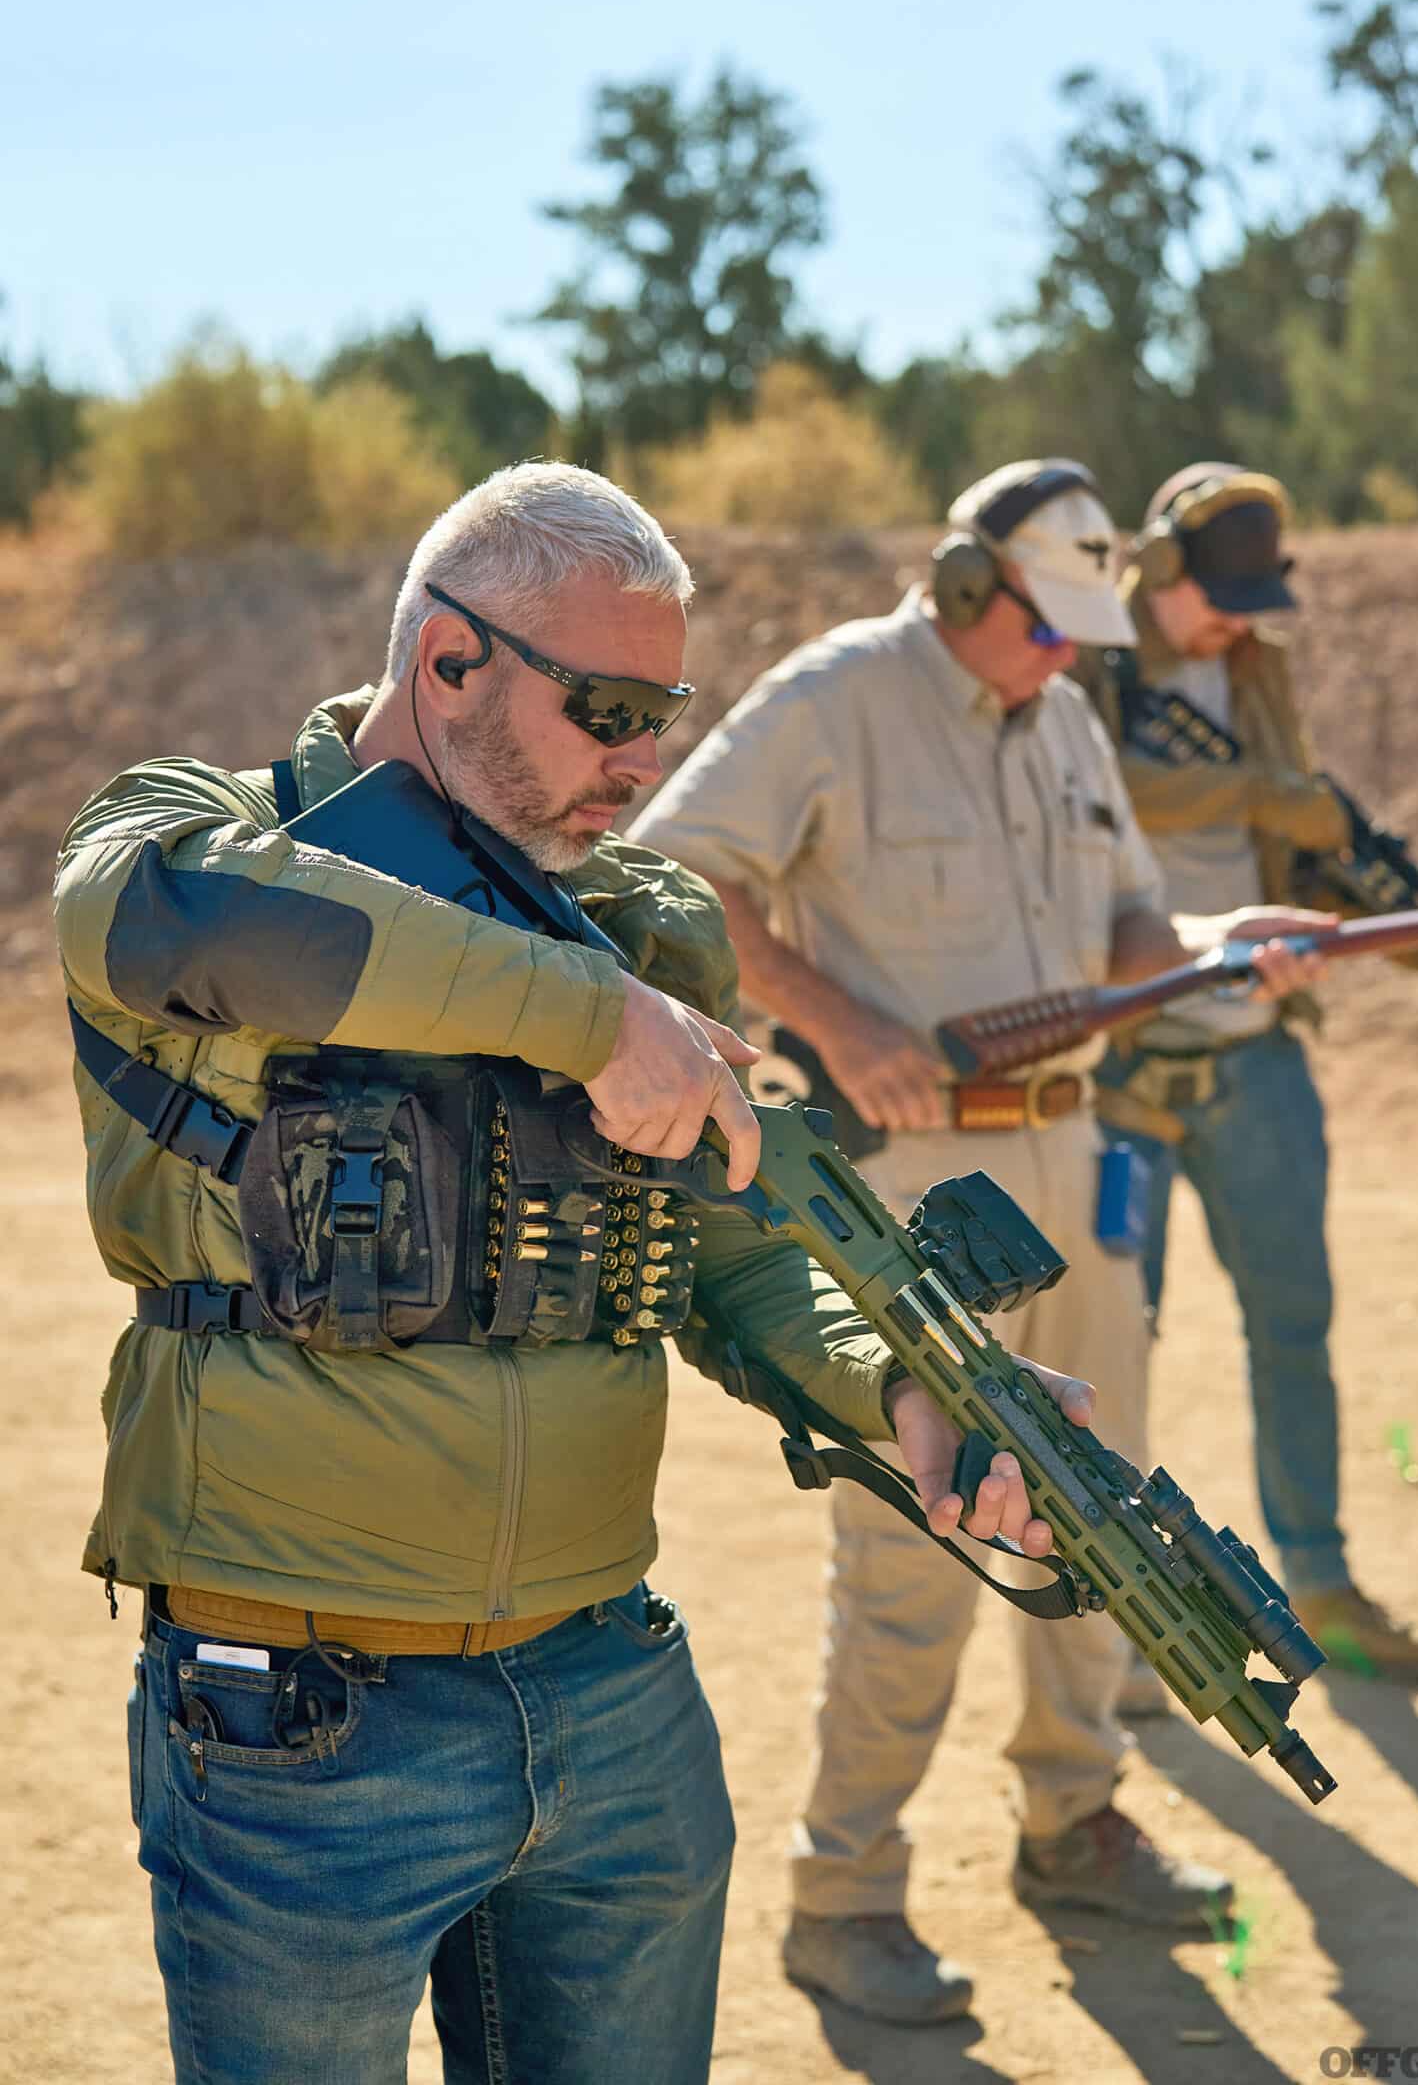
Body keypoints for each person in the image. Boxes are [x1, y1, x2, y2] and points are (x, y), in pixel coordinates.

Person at [55, 461, 1091, 2085]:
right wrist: (590, 1015)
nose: (642, 760)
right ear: (446, 663)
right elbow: (176, 924)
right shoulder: (198, 838)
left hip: (608, 1694)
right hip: (298, 1726)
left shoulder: (649, 929)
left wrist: (902, 1389)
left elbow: (742, 1256)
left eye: (660, 713)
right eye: (605, 705)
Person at [631, 457, 1333, 2027]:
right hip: (911, 1188)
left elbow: (1131, 937)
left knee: (1115, 1501)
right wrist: (831, 1017)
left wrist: (1234, 957)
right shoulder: (835, 699)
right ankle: (845, 1893)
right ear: (961, 588)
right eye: (1042, 622)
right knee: (918, 1541)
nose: (1069, 653)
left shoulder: (1064, 715)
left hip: (1080, 1166)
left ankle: (1072, 1816)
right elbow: (671, 871)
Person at [1078, 461, 1418, 1686]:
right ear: (1159, 571)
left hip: (1257, 1062)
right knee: (1110, 1354)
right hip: (1123, 1064)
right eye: (1220, 594)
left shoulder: (1257, 673)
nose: (1238, 619)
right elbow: (1096, 796)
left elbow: (1296, 833)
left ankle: (1323, 1587)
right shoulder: (1087, 667)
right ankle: (1120, 1627)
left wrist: (1334, 923)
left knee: (1293, 1328)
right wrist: (1262, 792)